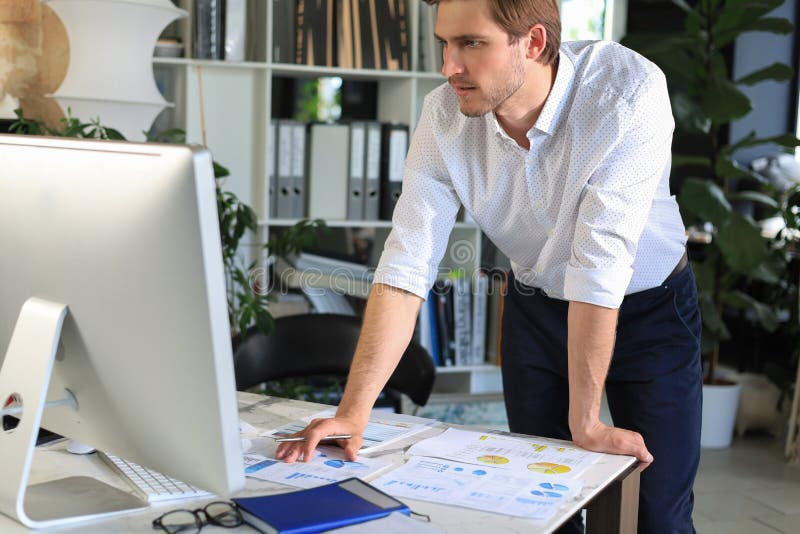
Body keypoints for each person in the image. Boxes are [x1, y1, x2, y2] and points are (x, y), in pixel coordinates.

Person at [277, 0, 702, 532]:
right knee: (543, 508)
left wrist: (585, 422)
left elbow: (600, 266)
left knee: (657, 514)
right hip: (537, 306)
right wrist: (354, 411)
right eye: (444, 44)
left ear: (535, 42)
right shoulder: (443, 115)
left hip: (650, 310)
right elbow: (406, 264)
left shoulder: (625, 92)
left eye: (471, 44)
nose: (448, 66)